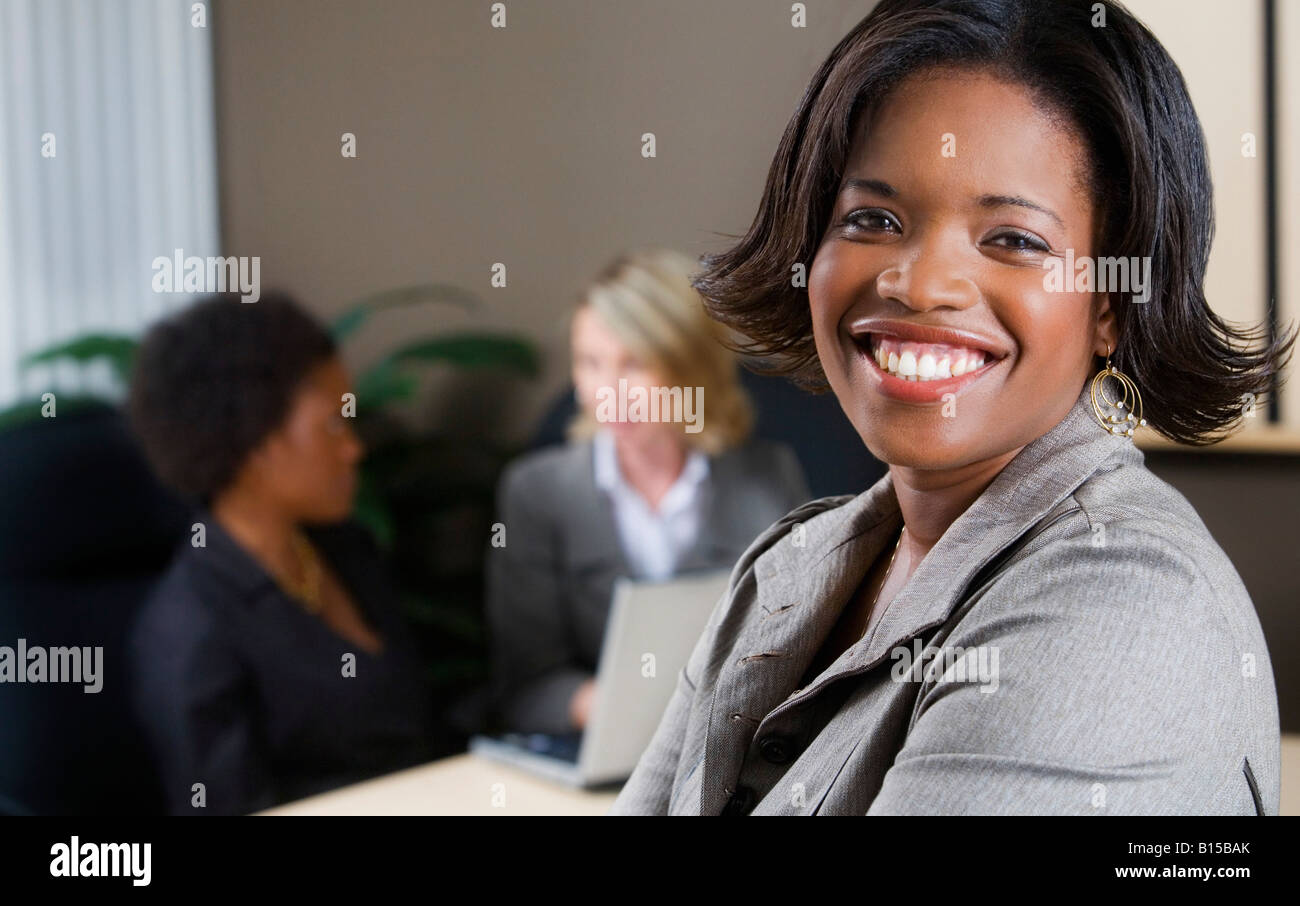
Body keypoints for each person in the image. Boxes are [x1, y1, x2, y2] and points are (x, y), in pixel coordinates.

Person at [611, 0, 1294, 815]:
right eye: (873, 219)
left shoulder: (1123, 604)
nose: (919, 282)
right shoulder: (789, 569)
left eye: (1013, 239)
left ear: (1110, 303)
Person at [127, 293, 437, 815]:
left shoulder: (346, 550)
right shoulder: (188, 630)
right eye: (333, 425)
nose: (354, 448)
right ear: (254, 442)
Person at [486, 248, 811, 735]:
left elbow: (799, 640)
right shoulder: (538, 492)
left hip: (737, 745)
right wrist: (627, 713)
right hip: (601, 759)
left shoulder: (768, 477)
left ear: (690, 368)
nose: (608, 391)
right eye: (590, 363)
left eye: (633, 365)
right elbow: (525, 686)